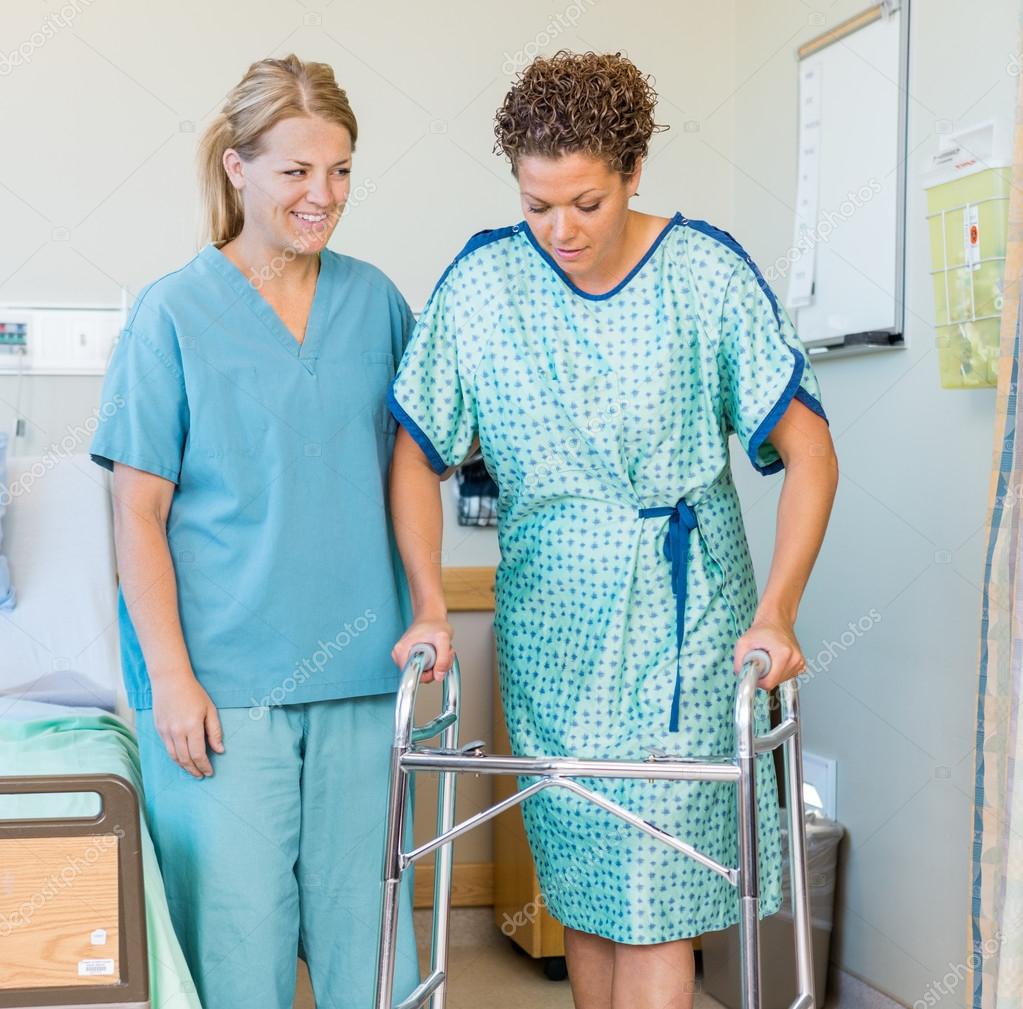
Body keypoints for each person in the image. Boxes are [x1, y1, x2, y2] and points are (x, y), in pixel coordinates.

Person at [388, 50, 838, 1009]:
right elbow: (415, 452)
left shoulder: (703, 272)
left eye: (585, 202)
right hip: (551, 624)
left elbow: (810, 451)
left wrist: (778, 611)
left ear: (634, 172)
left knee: (658, 894)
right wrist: (429, 601)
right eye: (537, 204)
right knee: (587, 888)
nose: (560, 229)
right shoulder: (483, 284)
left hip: (686, 620)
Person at [89, 54, 420, 1009]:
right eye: (297, 171)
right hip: (223, 691)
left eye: (341, 170)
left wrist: (427, 608)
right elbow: (137, 513)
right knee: (238, 956)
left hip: (364, 676)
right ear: (238, 169)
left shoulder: (376, 302)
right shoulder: (172, 314)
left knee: (372, 955)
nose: (324, 195)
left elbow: (414, 467)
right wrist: (171, 677)